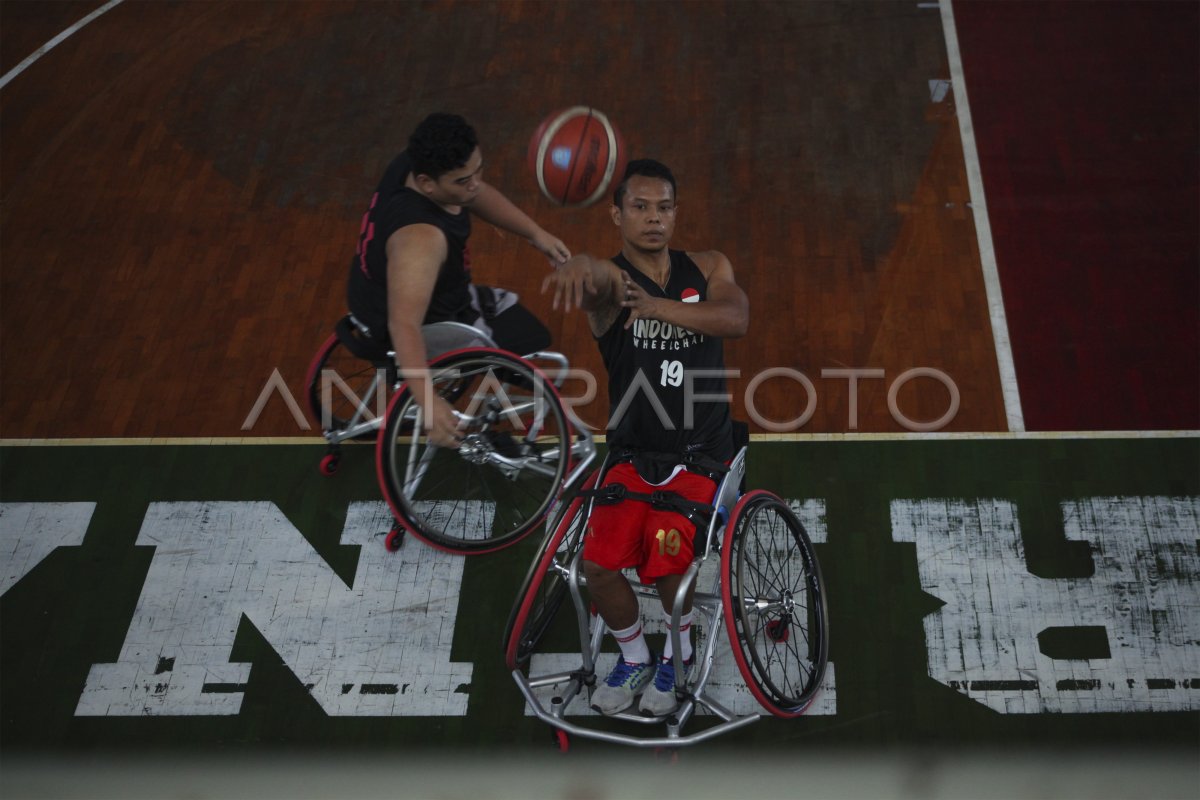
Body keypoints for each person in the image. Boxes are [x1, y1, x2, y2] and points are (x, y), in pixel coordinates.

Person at [540, 159, 749, 716]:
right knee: (598, 567)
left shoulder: (707, 266)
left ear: (676, 213)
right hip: (631, 455)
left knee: (665, 562)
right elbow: (598, 275)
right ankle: (634, 656)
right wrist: (581, 265)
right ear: (617, 214)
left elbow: (735, 317)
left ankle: (676, 652)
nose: (654, 219)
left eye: (664, 208)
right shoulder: (612, 287)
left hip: (702, 457)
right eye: (640, 207)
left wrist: (659, 308)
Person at [346, 112, 570, 447]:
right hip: (419, 322)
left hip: (367, 295)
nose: (475, 184)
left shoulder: (414, 165)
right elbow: (404, 325)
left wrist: (534, 234)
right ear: (427, 183)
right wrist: (429, 403)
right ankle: (489, 426)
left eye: (478, 170)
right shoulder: (422, 241)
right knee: (535, 341)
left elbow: (475, 194)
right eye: (463, 181)